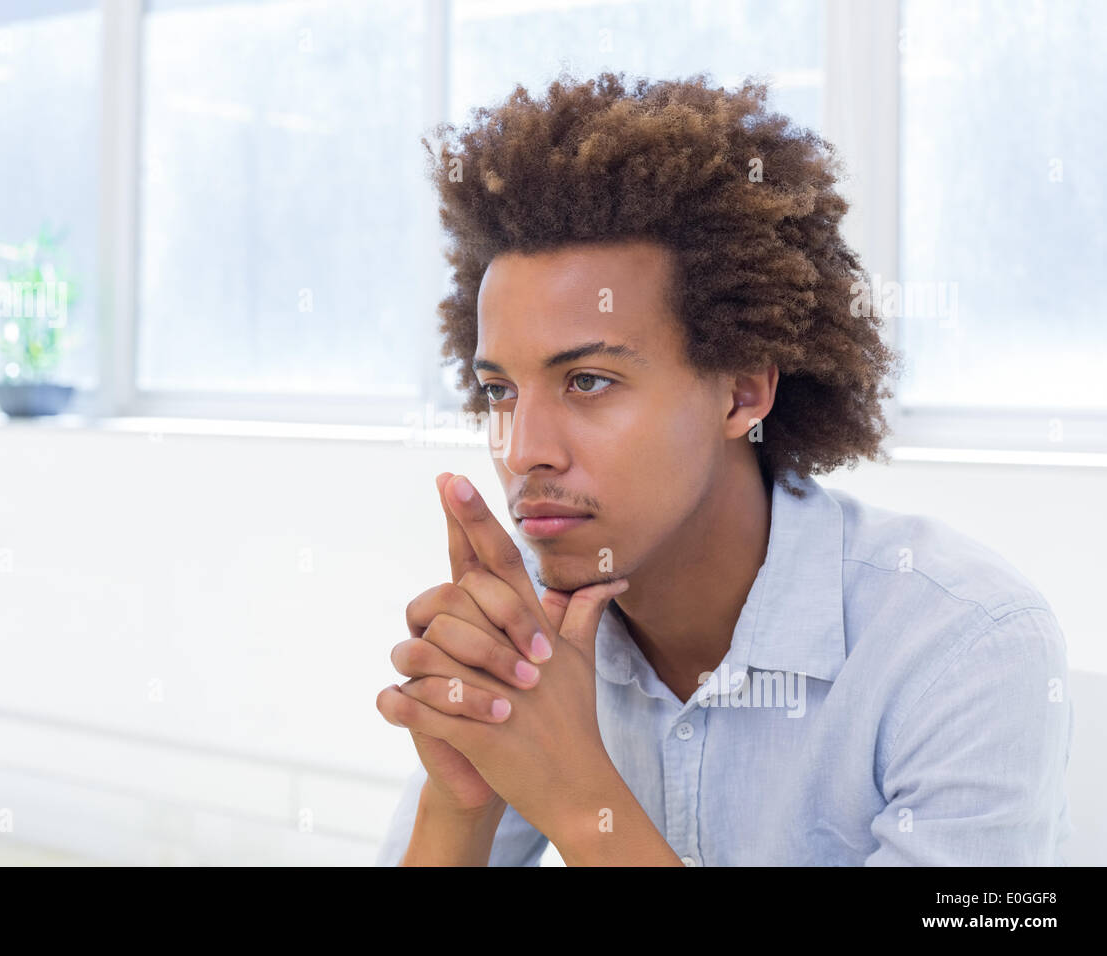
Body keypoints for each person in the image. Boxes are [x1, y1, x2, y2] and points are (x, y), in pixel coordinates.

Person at [374, 71, 1072, 866]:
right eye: (499, 389)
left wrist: (577, 795)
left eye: (588, 382)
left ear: (742, 391)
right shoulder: (530, 647)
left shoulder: (966, 643)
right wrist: (460, 802)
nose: (521, 448)